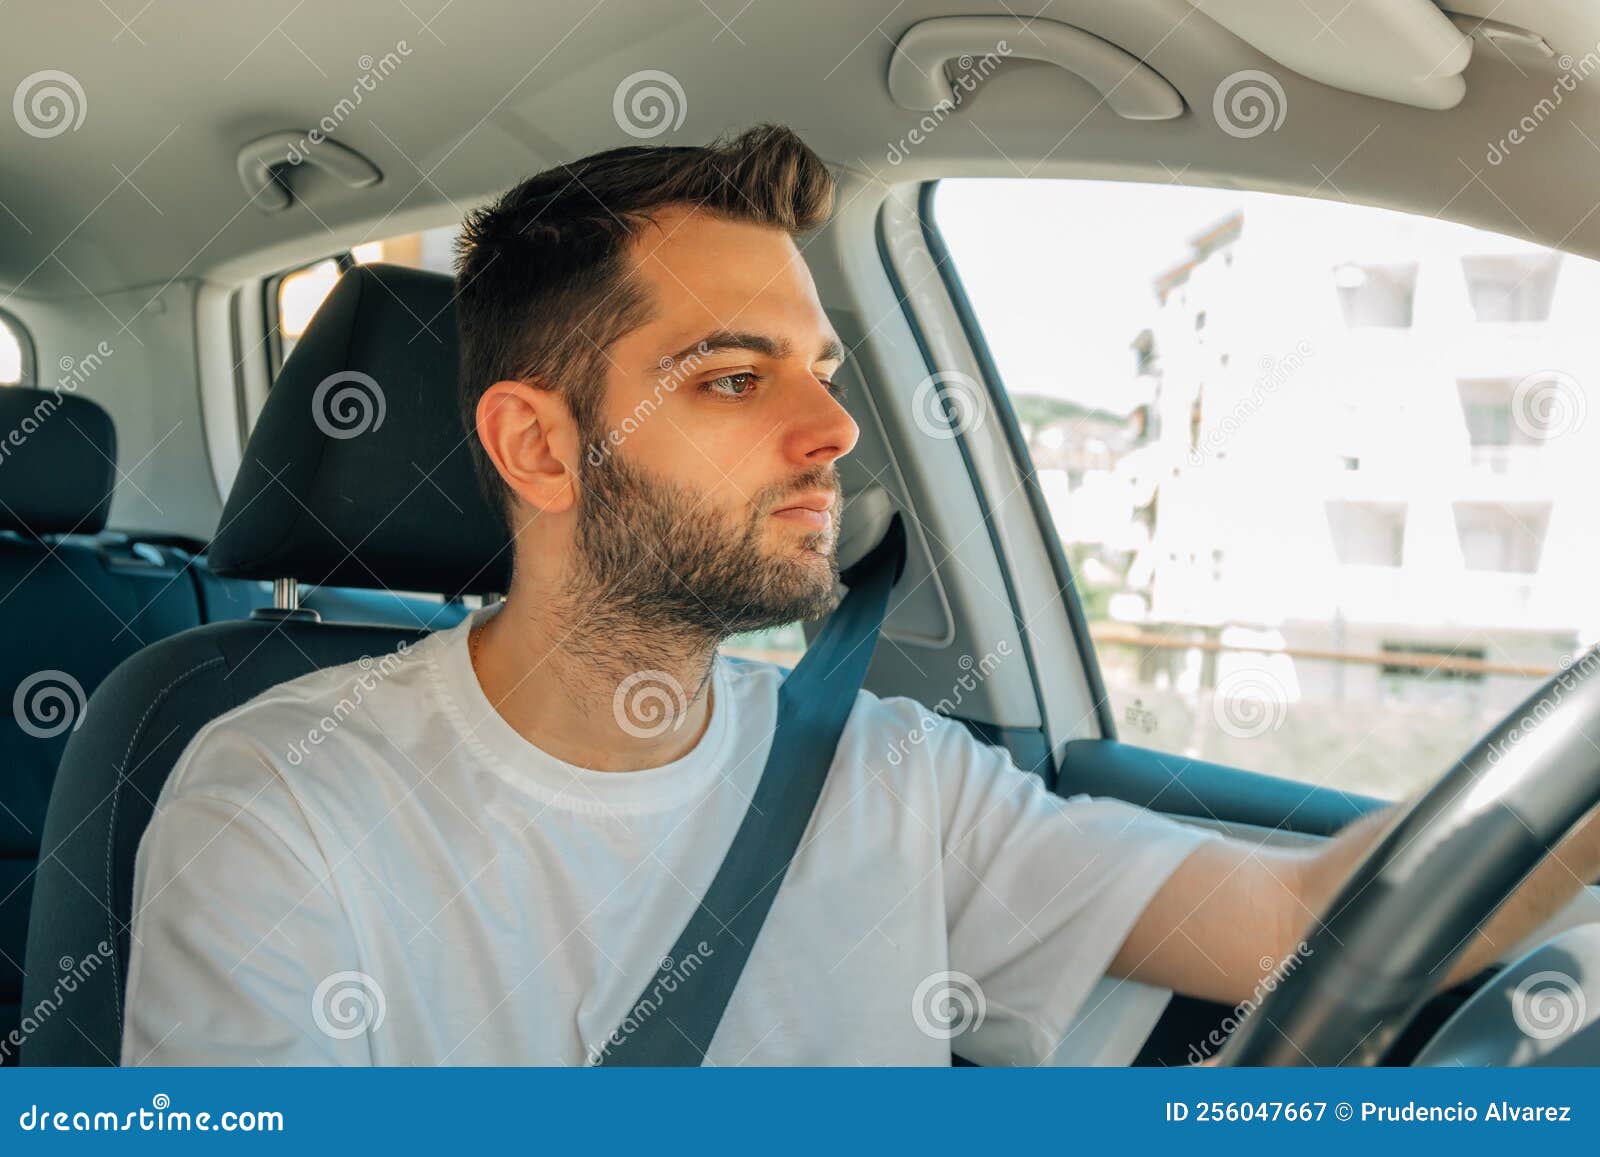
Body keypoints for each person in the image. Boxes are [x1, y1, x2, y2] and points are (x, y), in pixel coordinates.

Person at [121, 124, 1600, 1066]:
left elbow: (1295, 920)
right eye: (732, 377)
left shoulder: (889, 772)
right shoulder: (280, 794)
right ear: (541, 447)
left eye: (821, 371)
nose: (833, 429)